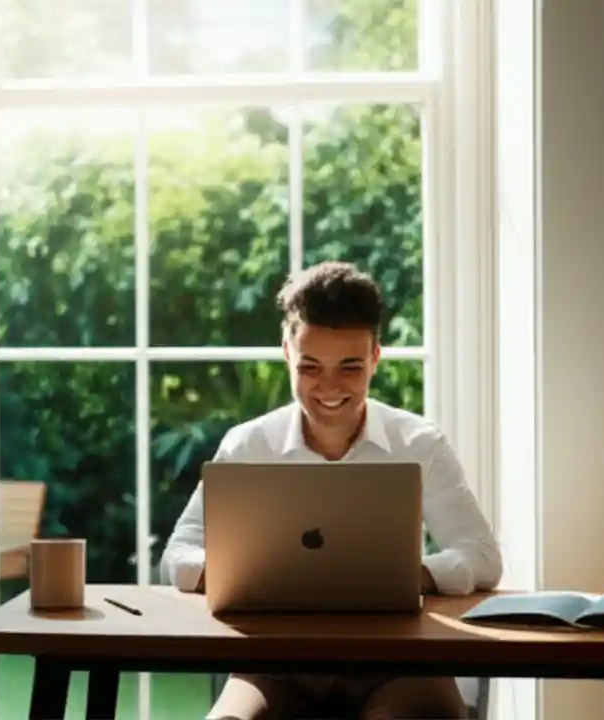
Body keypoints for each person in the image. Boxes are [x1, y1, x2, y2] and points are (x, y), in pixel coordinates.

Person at [160, 261, 502, 720]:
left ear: (376, 358)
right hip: (274, 666)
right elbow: (177, 555)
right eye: (310, 367)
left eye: (350, 367)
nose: (330, 387)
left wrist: (408, 574)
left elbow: (482, 556)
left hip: (400, 664)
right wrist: (235, 573)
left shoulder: (419, 443)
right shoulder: (249, 444)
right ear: (287, 353)